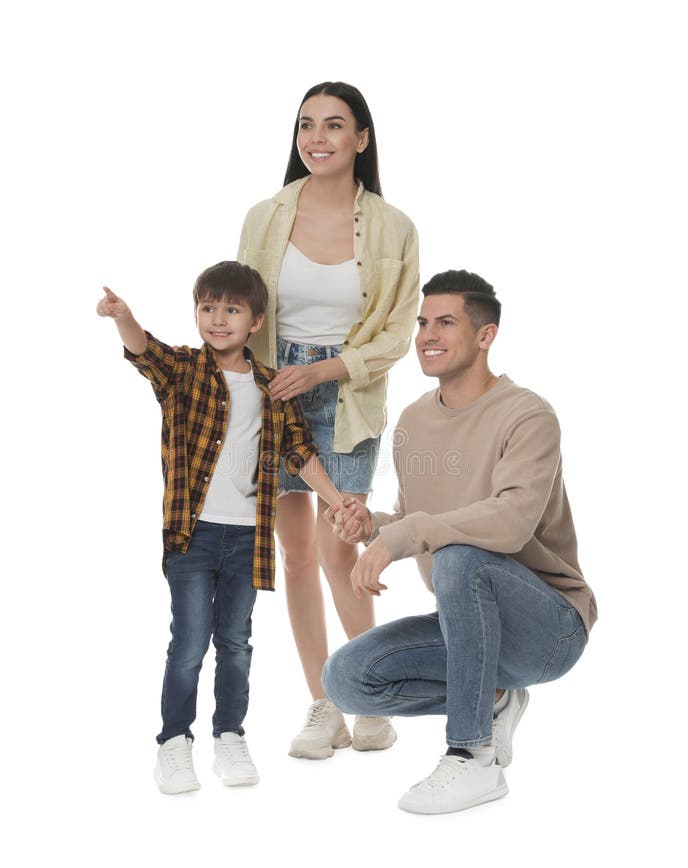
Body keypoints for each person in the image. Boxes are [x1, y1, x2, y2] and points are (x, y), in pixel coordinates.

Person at [323, 269, 597, 814]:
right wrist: (371, 524)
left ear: (485, 335)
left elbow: (510, 523)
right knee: (347, 678)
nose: (428, 334)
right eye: (424, 322)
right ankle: (494, 696)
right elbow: (415, 515)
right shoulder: (412, 421)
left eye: (445, 322)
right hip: (469, 620)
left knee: (460, 557)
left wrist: (404, 533)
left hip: (549, 627)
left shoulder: (527, 414)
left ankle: (473, 756)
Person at [97, 261, 342, 794]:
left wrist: (337, 500)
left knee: (235, 642)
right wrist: (125, 316)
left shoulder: (274, 386)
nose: (218, 318)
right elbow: (146, 351)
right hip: (193, 534)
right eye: (208, 307)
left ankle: (229, 735)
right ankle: (174, 743)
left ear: (255, 321)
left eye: (231, 309)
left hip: (247, 537)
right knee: (189, 642)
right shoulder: (184, 371)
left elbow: (299, 451)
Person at [237, 81, 419, 759]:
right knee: (297, 550)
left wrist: (324, 370)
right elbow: (243, 311)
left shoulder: (395, 228)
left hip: (346, 396)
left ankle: (368, 690)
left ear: (361, 139)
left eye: (334, 126)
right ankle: (323, 703)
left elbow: (396, 333)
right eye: (306, 125)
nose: (317, 138)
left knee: (342, 545)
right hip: (273, 393)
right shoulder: (264, 216)